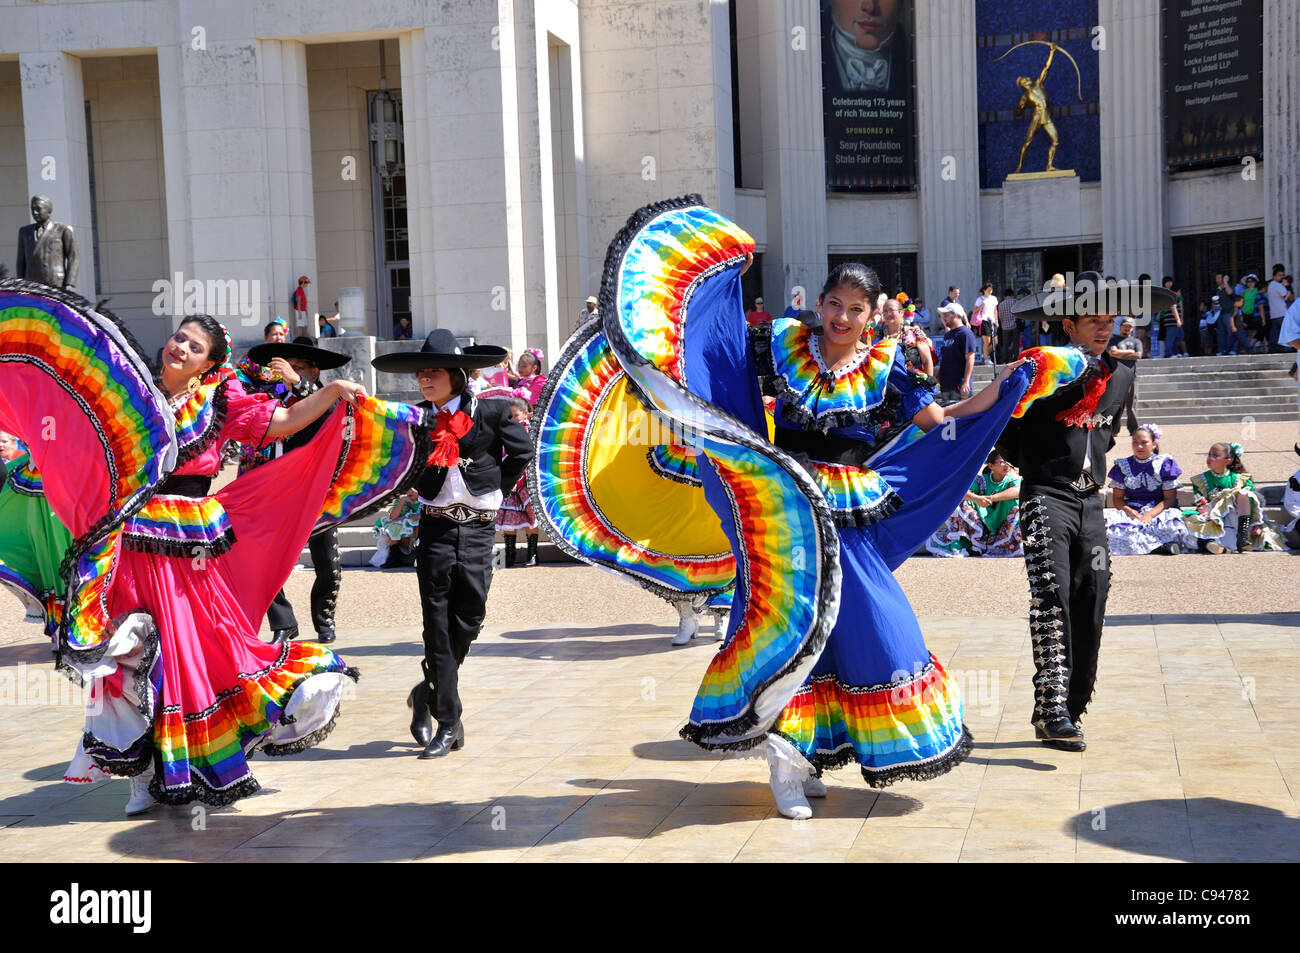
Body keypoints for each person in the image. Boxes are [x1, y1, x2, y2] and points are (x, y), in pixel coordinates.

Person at [0, 285, 384, 814]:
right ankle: (137, 775)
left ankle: (193, 762)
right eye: (179, 337)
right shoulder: (128, 393)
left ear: (209, 363)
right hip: (124, 542)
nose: (180, 347)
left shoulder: (216, 402)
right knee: (123, 659)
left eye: (194, 345)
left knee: (192, 654)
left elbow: (283, 423)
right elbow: (71, 438)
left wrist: (332, 393)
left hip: (187, 551)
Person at [999, 271, 1176, 753]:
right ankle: (1052, 708)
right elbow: (1004, 428)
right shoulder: (1039, 371)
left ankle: (1072, 707)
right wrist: (1019, 462)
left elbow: (1107, 431)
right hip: (1044, 494)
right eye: (1092, 320)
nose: (1104, 328)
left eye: (1111, 319)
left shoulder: (1123, 374)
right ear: (1068, 326)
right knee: (1051, 593)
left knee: (1093, 593)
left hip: (1090, 499)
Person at [371, 330, 533, 759]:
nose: (425, 379)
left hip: (478, 528)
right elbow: (399, 465)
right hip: (436, 528)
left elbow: (521, 453)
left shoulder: (494, 411)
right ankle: (449, 720)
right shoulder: (414, 418)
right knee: (437, 627)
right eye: (421, 373)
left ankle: (426, 693)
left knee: (470, 619)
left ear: (457, 375)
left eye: (434, 372)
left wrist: (494, 486)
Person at [245, 334, 354, 644]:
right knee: (264, 561)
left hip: (318, 491)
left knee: (327, 563)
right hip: (273, 492)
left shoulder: (330, 398)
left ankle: (324, 618)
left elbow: (325, 420)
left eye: (299, 367)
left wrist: (297, 384)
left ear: (313, 372)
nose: (289, 372)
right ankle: (283, 622)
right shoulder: (267, 400)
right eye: (285, 367)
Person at [1103, 423, 1191, 556]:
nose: (1139, 446)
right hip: (1133, 510)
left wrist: (1150, 514)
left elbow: (1170, 499)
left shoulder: (1164, 464)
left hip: (1159, 509)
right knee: (1106, 525)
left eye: (1144, 442)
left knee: (1173, 523)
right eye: (1135, 442)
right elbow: (1117, 499)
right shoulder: (1123, 465)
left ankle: (1158, 545)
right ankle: (1159, 547)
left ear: (1154, 444)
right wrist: (1128, 511)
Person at [1183, 442, 1284, 553]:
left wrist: (1256, 524)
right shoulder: (1201, 479)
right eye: (1209, 454)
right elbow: (1199, 500)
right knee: (1190, 521)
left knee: (1243, 494)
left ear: (1227, 461)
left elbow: (1252, 503)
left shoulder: (1239, 479)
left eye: (1215, 456)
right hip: (1213, 518)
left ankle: (1242, 536)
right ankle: (1211, 544)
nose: (1210, 458)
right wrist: (1202, 507)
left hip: (1235, 519)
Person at [926, 449, 1024, 557]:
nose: (1007, 465)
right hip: (981, 521)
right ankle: (971, 542)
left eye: (1008, 462)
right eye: (1002, 462)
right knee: (960, 502)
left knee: (1017, 504)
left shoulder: (1012, 479)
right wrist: (976, 498)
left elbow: (1018, 490)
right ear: (991, 466)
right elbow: (959, 490)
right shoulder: (982, 480)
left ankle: (1004, 544)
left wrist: (992, 498)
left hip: (1002, 521)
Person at [496, 396, 540, 568]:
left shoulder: (532, 430)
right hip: (509, 479)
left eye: (516, 415)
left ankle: (532, 553)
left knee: (531, 517)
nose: (512, 418)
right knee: (508, 518)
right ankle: (509, 554)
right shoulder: (503, 430)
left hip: (528, 480)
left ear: (526, 414)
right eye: (510, 415)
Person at [878, 294, 934, 379]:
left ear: (901, 312)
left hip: (912, 387)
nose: (888, 314)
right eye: (885, 311)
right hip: (886, 388)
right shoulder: (878, 336)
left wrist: (928, 386)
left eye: (891, 310)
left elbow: (927, 361)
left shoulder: (915, 333)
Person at [1107, 317, 1142, 434]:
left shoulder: (1136, 341)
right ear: (1120, 326)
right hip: (1117, 376)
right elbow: (1112, 352)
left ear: (1132, 328)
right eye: (1125, 325)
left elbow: (1138, 355)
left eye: (1130, 326)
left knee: (1132, 405)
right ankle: (1114, 430)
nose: (1127, 328)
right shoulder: (1113, 339)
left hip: (1132, 376)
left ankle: (1133, 430)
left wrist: (1119, 354)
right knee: (1117, 404)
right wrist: (1130, 352)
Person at [370, 487, 420, 568]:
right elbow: (393, 517)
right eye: (408, 489)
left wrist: (411, 508)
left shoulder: (423, 503)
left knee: (416, 525)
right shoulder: (402, 501)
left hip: (415, 536)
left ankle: (419, 556)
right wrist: (403, 500)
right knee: (392, 525)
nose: (410, 491)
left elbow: (420, 516)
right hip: (401, 538)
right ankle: (394, 558)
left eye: (414, 490)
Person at [936, 300, 975, 403]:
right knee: (948, 416)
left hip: (960, 385)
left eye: (946, 315)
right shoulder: (947, 335)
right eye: (943, 315)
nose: (943, 318)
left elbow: (970, 359)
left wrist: (966, 381)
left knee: (961, 416)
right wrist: (940, 373)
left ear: (955, 315)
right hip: (946, 384)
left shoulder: (966, 334)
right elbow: (945, 357)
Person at [971, 282, 998, 365]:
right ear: (984, 290)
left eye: (991, 290)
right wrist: (981, 306)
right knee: (987, 341)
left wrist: (996, 320)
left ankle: (985, 354)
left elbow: (995, 310)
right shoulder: (980, 299)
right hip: (983, 320)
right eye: (988, 290)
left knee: (995, 341)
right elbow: (974, 310)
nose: (990, 291)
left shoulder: (994, 298)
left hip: (992, 321)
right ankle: (986, 359)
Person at [1267, 264, 1292, 353]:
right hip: (1282, 312)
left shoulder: (1270, 285)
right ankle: (1287, 347)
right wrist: (1289, 289)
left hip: (1274, 314)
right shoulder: (1278, 285)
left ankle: (1272, 348)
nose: (1281, 277)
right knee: (1287, 331)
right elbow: (1288, 297)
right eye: (1279, 275)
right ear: (1274, 276)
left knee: (1274, 333)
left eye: (1282, 275)